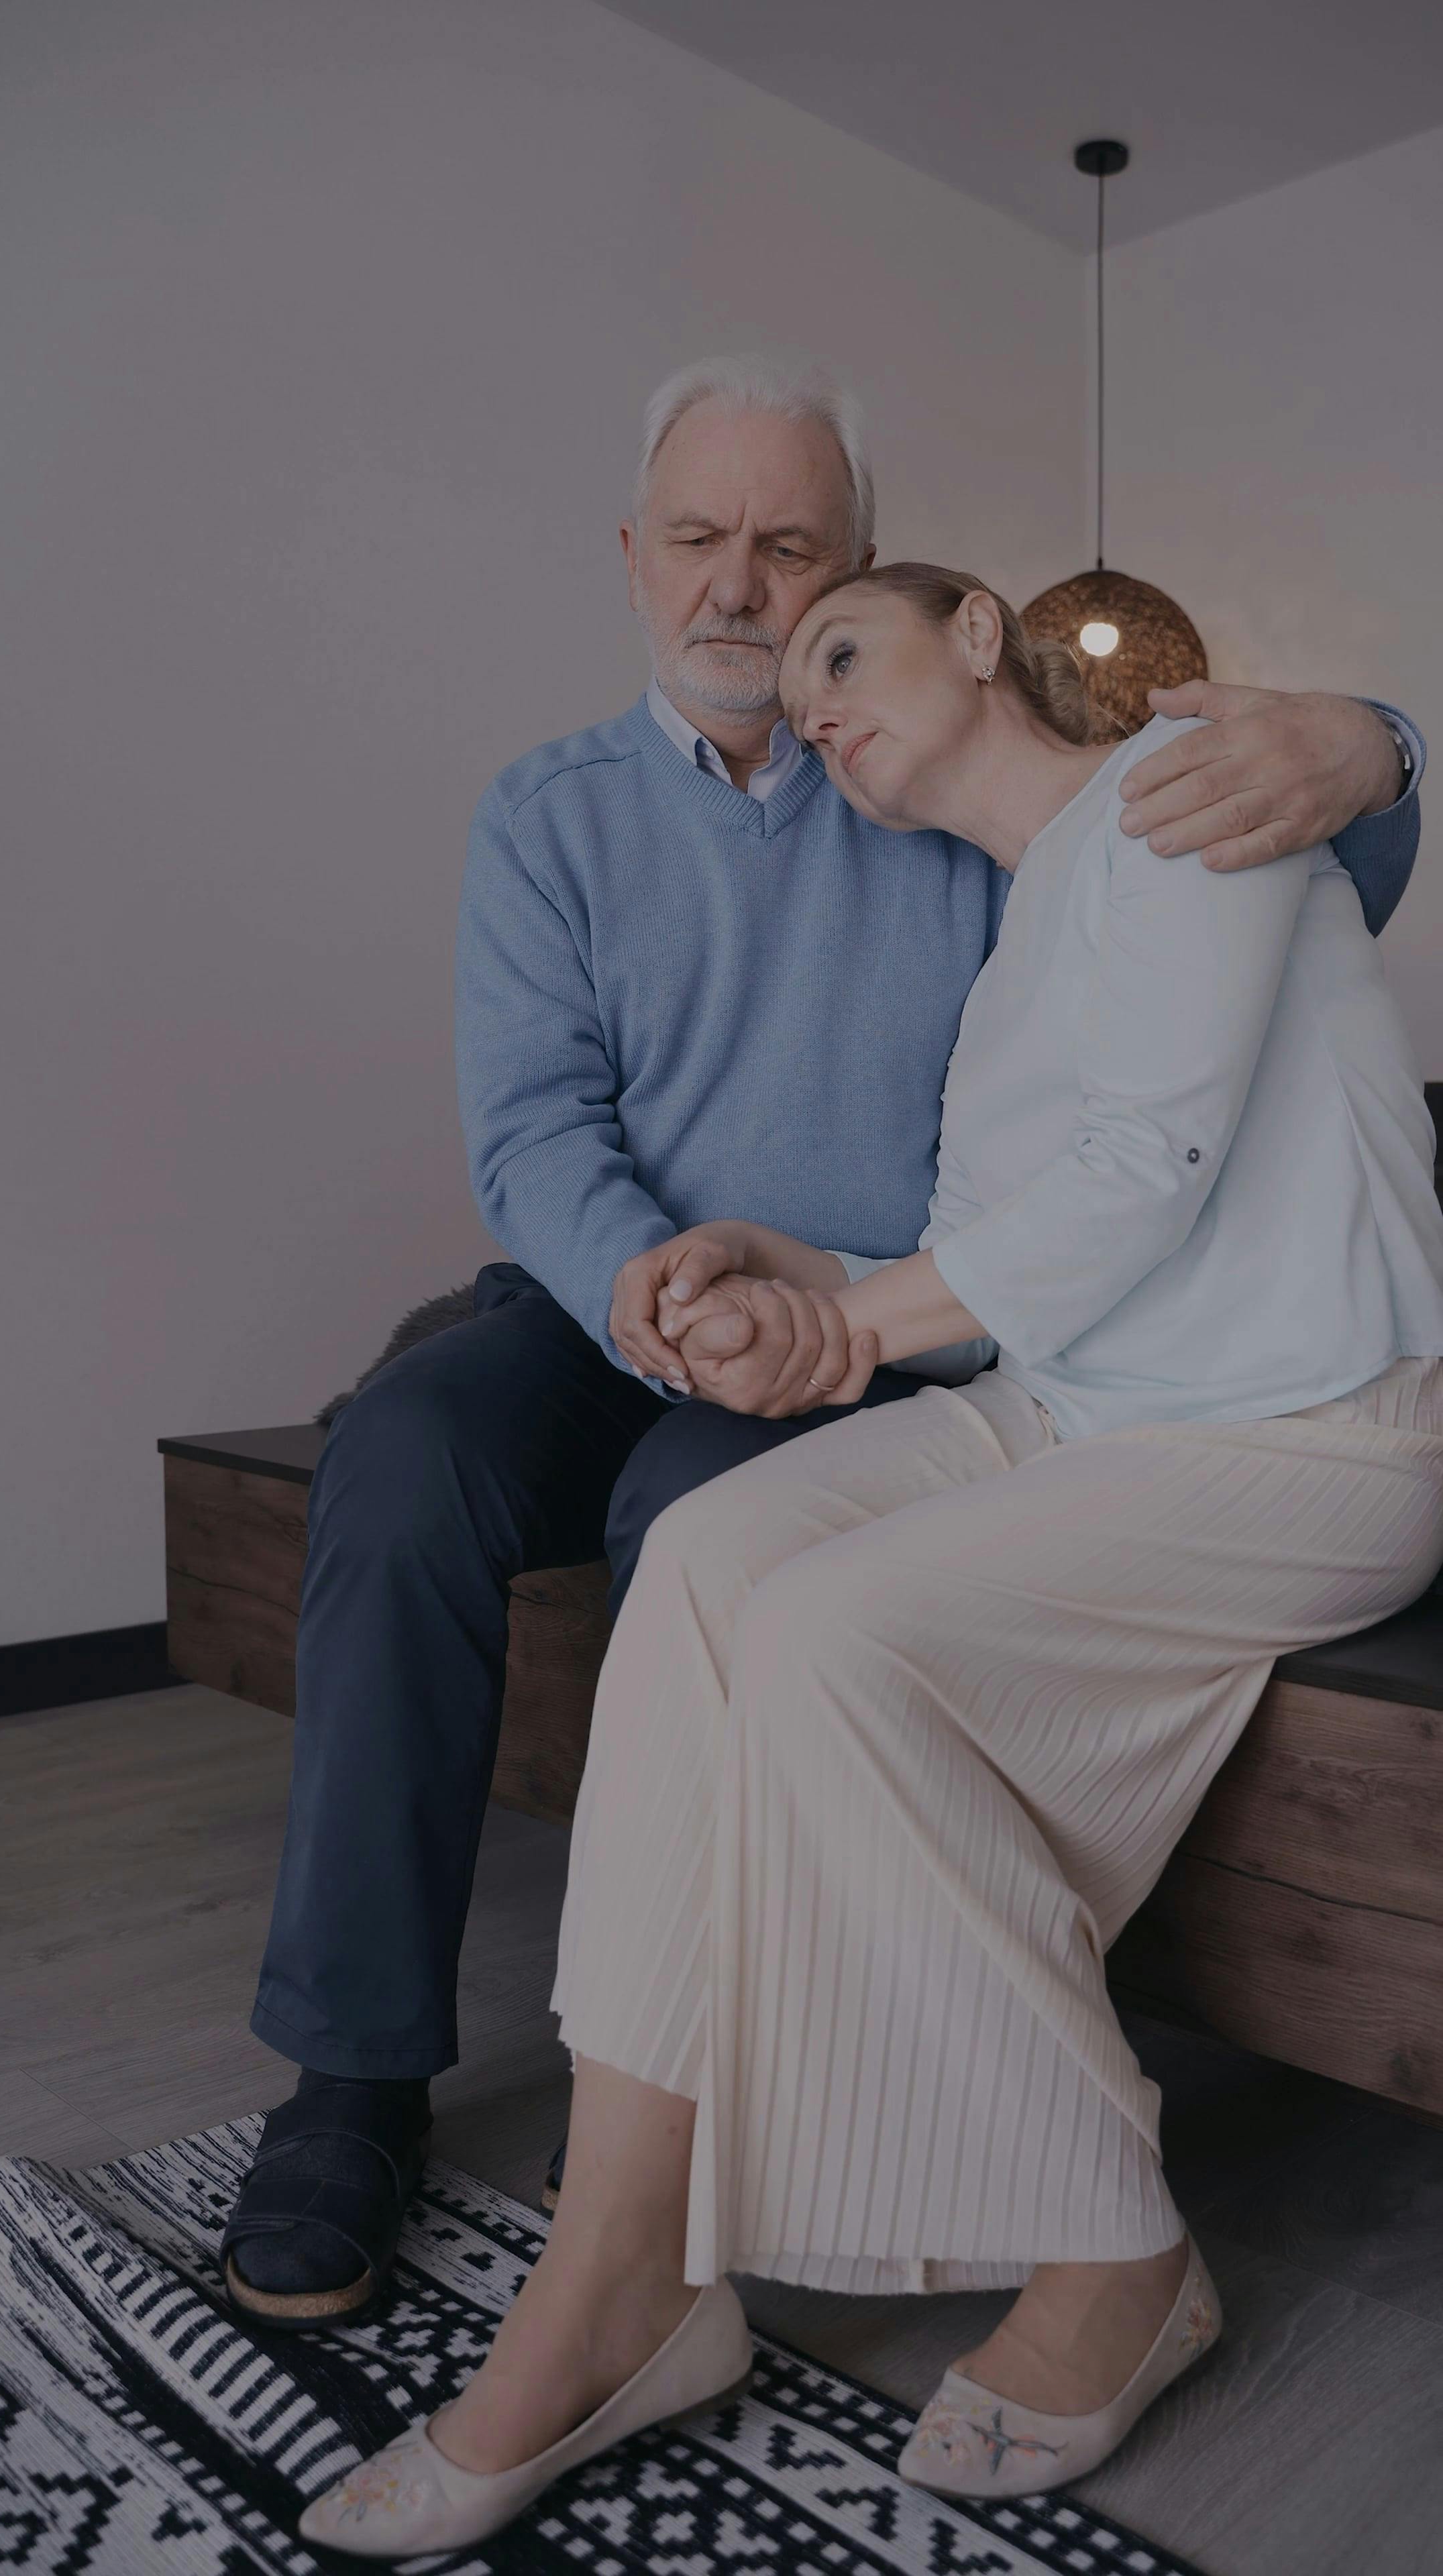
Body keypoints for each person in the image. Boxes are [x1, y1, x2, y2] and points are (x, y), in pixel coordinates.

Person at [221, 355, 1425, 2328]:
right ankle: (351, 2080)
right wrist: (659, 1286)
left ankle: (680, 2097)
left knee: (706, 1533)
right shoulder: (552, 814)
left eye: (792, 551)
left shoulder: (928, 770)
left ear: (867, 576)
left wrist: (1378, 742)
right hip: (619, 1290)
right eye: (697, 539)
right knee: (409, 1452)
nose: (740, 589)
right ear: (632, 557)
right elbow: (535, 1128)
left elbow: (1273, 875)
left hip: (875, 1321)